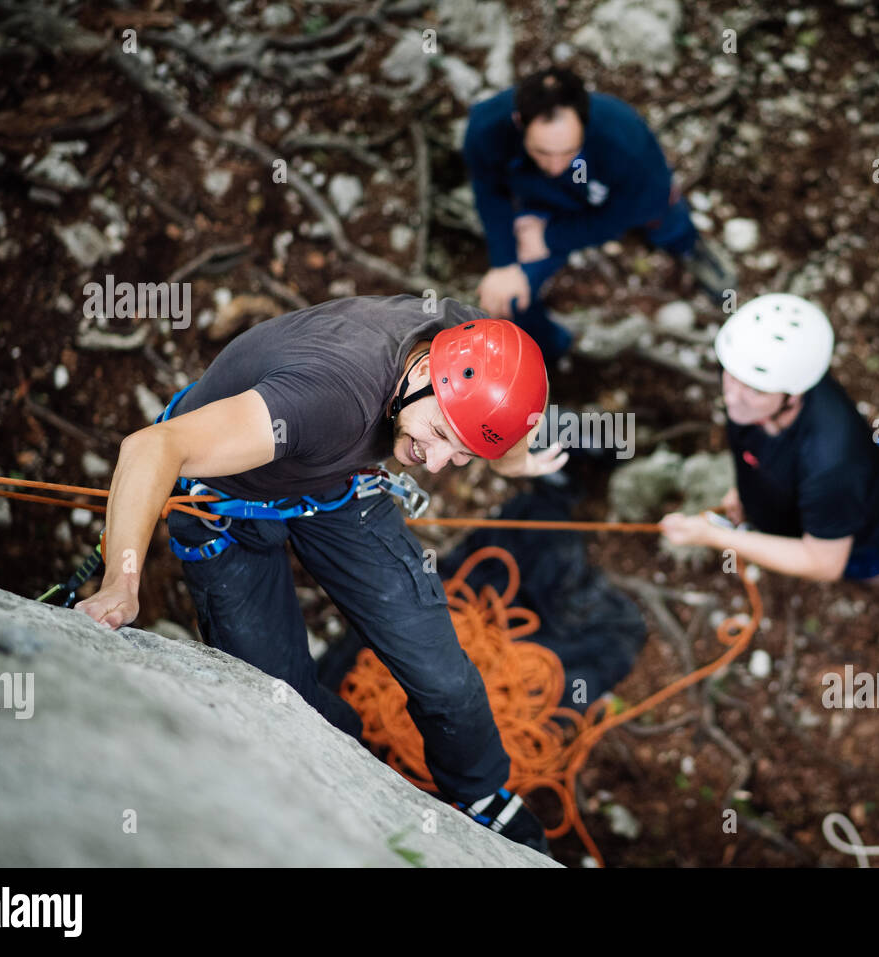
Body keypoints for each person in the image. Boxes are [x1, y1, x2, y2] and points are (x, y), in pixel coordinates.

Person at [75, 295, 566, 853]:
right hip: (231, 506)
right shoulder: (331, 394)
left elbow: (503, 403)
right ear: (427, 371)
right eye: (439, 433)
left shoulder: (465, 343)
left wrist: (511, 457)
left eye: (459, 453)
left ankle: (480, 793)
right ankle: (345, 760)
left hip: (337, 481)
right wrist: (122, 578)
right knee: (285, 708)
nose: (433, 465)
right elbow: (152, 447)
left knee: (443, 676)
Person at [659, 294, 879, 657]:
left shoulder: (831, 465)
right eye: (731, 374)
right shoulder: (757, 396)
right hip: (825, 502)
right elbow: (754, 453)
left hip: (857, 526)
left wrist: (712, 536)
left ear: (795, 394)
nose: (733, 396)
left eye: (754, 389)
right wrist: (742, 495)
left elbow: (823, 563)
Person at [463, 66, 735, 363]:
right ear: (519, 122)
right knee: (510, 300)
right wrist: (504, 263)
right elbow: (489, 189)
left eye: (567, 152)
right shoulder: (487, 128)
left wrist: (552, 237)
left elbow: (642, 206)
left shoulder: (623, 136)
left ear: (585, 122)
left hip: (615, 201)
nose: (555, 165)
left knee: (667, 219)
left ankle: (687, 247)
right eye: (542, 152)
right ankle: (557, 352)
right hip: (543, 204)